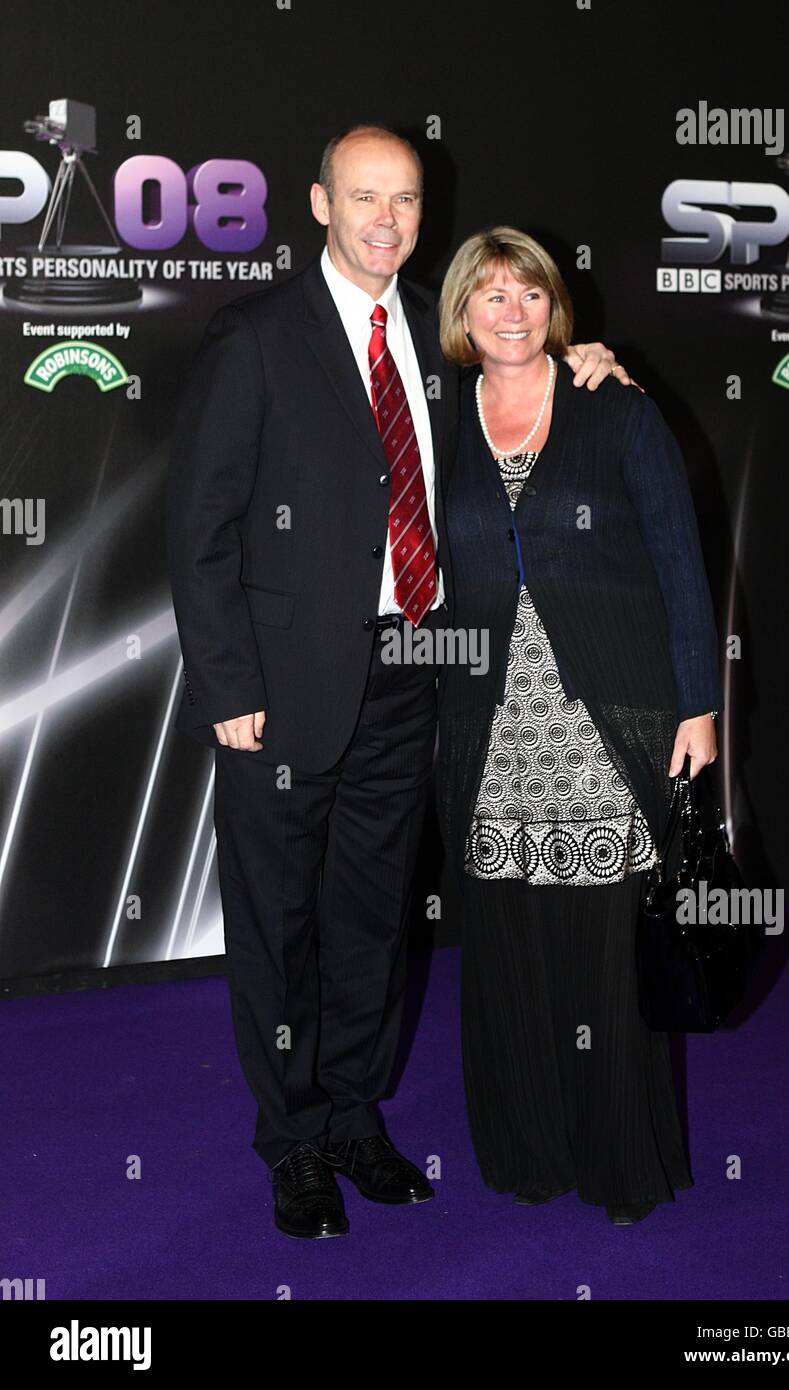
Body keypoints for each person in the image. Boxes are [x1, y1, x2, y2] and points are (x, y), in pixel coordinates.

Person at [165, 127, 633, 1239]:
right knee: (281, 927)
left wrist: (581, 365)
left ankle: (354, 1117)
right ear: (319, 205)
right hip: (277, 693)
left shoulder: (437, 329)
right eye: (364, 198)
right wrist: (229, 683)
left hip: (408, 676)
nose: (386, 219)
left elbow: (511, 395)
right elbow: (199, 528)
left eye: (406, 200)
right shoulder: (257, 335)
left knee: (372, 921)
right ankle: (292, 1142)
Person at [435, 226, 724, 1224]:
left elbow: (681, 561)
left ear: (554, 308)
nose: (510, 313)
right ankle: (529, 1147)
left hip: (605, 710)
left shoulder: (612, 408)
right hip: (485, 725)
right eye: (490, 296)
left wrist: (699, 704)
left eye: (528, 295)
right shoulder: (439, 422)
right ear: (461, 314)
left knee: (606, 942)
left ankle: (616, 1159)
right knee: (509, 938)